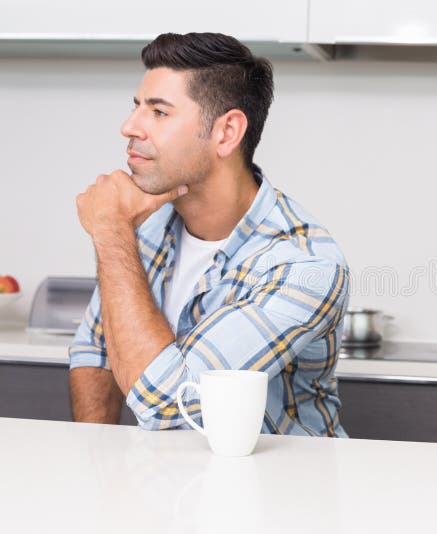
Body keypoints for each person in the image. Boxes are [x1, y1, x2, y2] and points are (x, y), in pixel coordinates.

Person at [69, 32, 350, 437]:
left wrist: (111, 232)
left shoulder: (304, 265)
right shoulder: (145, 226)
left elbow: (167, 404)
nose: (129, 127)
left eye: (159, 112)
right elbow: (95, 351)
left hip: (281, 494)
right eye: (136, 108)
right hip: (170, 487)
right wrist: (96, 460)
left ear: (226, 132)